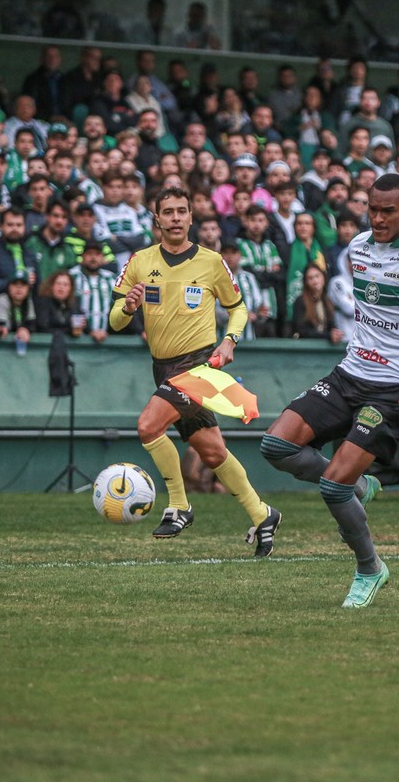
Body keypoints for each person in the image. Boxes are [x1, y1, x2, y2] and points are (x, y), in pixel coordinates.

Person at [261, 174, 399, 608]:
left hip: (393, 388)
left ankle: (369, 568)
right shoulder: (357, 248)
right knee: (274, 445)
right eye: (372, 209)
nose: (377, 218)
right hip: (348, 374)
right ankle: (360, 488)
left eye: (387, 211)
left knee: (333, 488)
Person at [109, 187, 282, 556]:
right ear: (157, 219)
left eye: (181, 211)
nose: (174, 217)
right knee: (213, 452)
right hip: (163, 367)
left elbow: (238, 308)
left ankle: (179, 505)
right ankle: (262, 513)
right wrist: (127, 306)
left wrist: (230, 341)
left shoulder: (211, 261)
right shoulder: (139, 261)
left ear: (191, 218)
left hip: (198, 365)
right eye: (167, 211)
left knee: (148, 426)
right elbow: (114, 321)